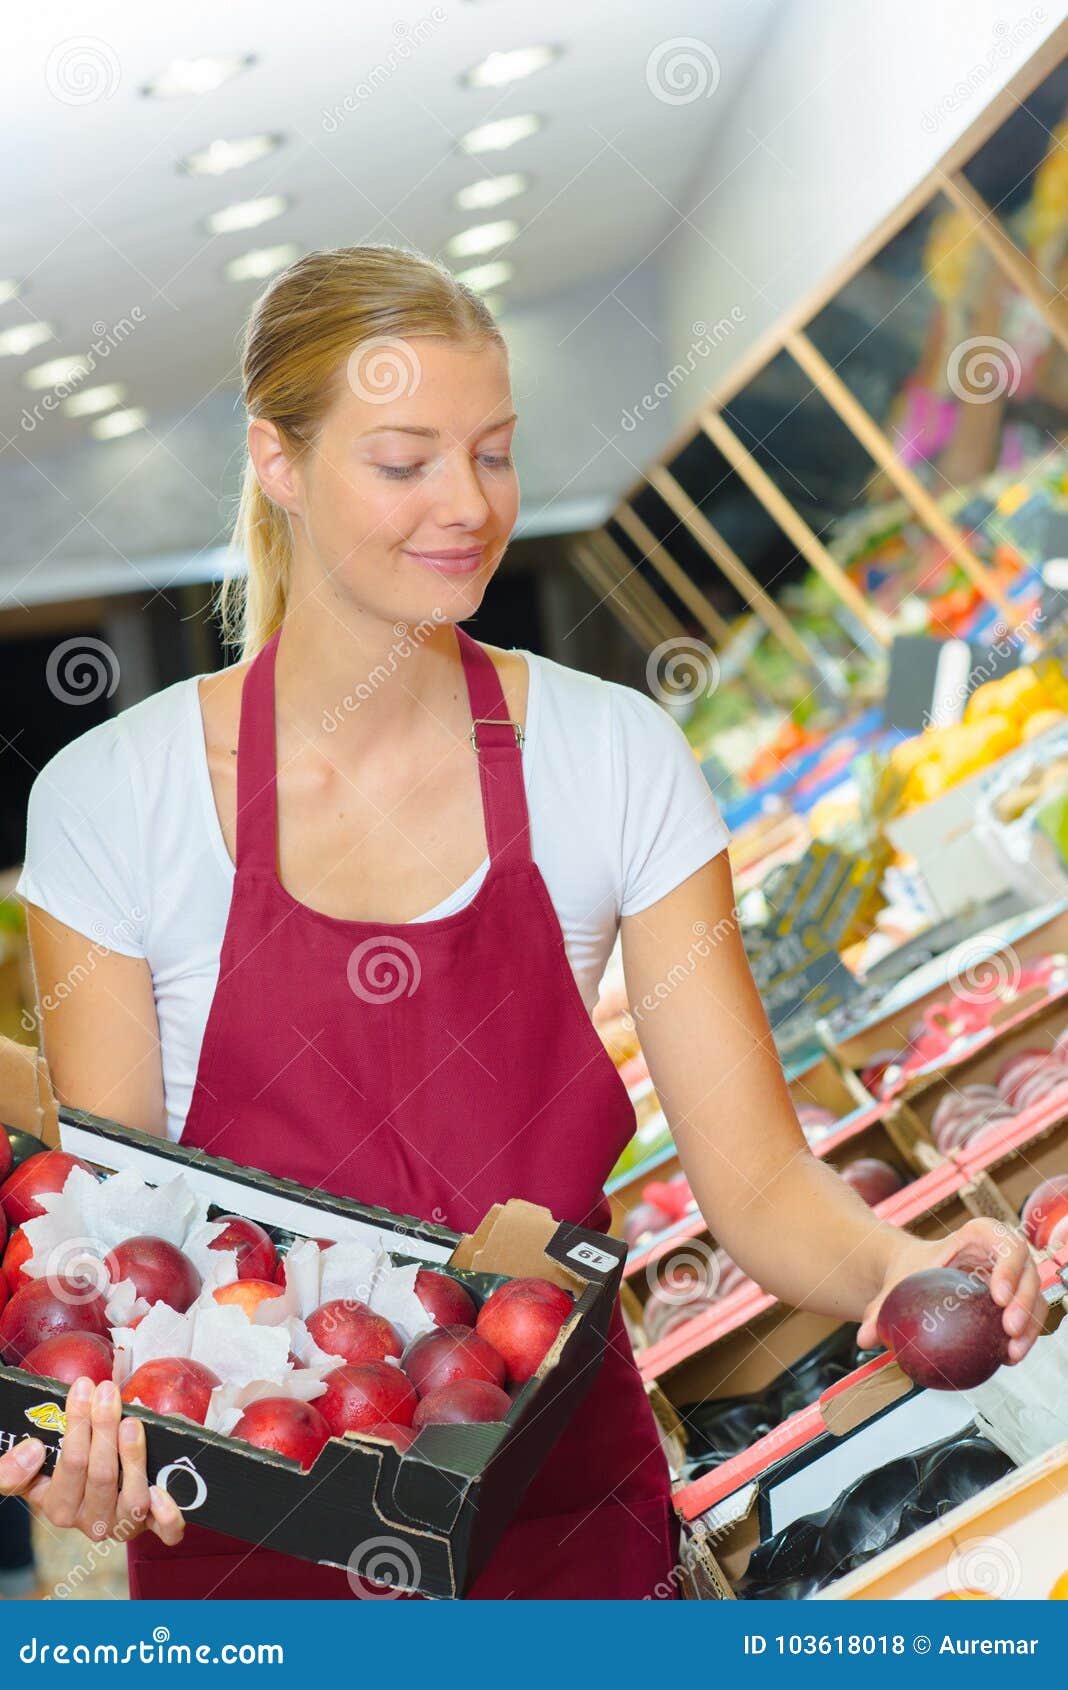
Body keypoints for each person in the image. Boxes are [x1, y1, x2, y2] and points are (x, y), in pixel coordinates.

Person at [9, 246, 1044, 1601]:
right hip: (264, 1552)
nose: (467, 504)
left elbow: (760, 1186)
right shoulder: (110, 799)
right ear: (277, 462)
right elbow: (132, 1251)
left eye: (493, 455)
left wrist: (902, 1256)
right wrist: (90, 1434)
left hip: (569, 1532)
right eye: (405, 461)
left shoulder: (612, 755)